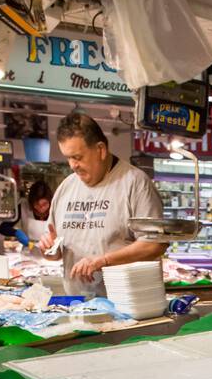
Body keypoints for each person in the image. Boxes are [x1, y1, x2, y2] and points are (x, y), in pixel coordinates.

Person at [38, 113, 167, 296]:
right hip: (78, 306)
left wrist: (103, 261)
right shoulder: (66, 188)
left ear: (100, 149)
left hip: (127, 306)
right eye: (68, 158)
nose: (73, 165)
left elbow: (155, 245)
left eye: (78, 157)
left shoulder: (135, 183)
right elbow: (56, 252)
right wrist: (48, 249)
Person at [0, 180, 54, 256]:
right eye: (37, 204)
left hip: (53, 254)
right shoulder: (23, 206)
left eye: (44, 204)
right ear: (31, 202)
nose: (41, 208)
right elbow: (2, 228)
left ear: (50, 201)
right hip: (29, 254)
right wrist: (16, 232)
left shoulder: (56, 209)